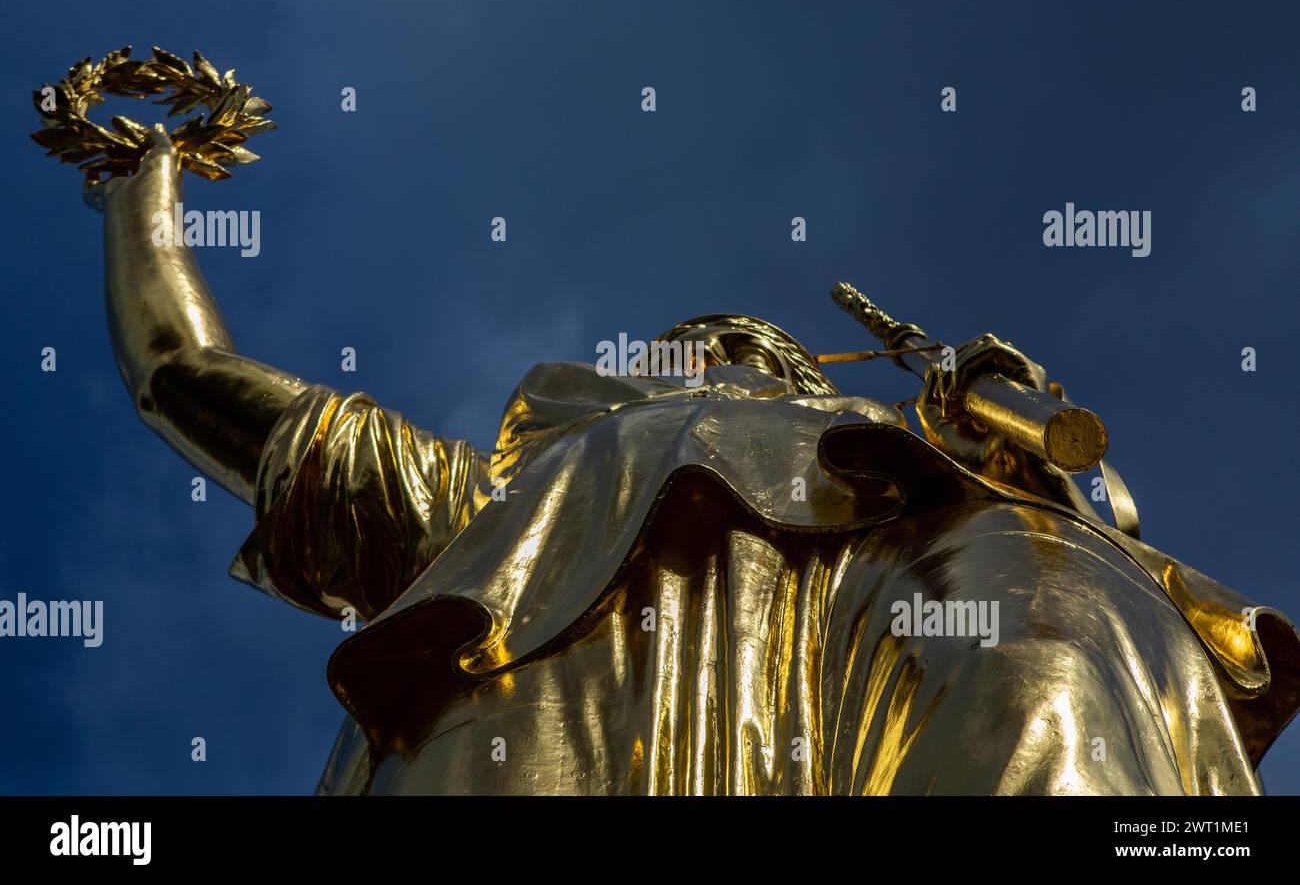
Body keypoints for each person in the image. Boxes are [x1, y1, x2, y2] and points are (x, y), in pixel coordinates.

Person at [92, 132, 1299, 795]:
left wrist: (1008, 450)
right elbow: (181, 375)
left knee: (1056, 646)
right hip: (545, 721)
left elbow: (1099, 527)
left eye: (752, 347)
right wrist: (144, 181)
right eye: (699, 348)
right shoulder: (503, 510)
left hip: (921, 622)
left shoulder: (938, 493)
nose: (727, 359)